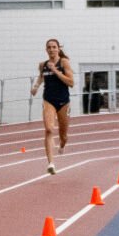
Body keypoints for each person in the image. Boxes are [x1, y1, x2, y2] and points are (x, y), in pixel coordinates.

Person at [31, 38, 75, 175]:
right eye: (49, 47)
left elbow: (71, 82)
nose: (51, 49)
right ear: (46, 50)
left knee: (64, 135)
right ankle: (51, 163)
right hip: (48, 100)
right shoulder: (42, 65)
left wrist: (55, 71)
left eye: (54, 47)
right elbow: (41, 76)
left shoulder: (64, 62)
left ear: (58, 49)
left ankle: (62, 144)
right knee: (49, 129)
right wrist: (36, 87)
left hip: (63, 102)